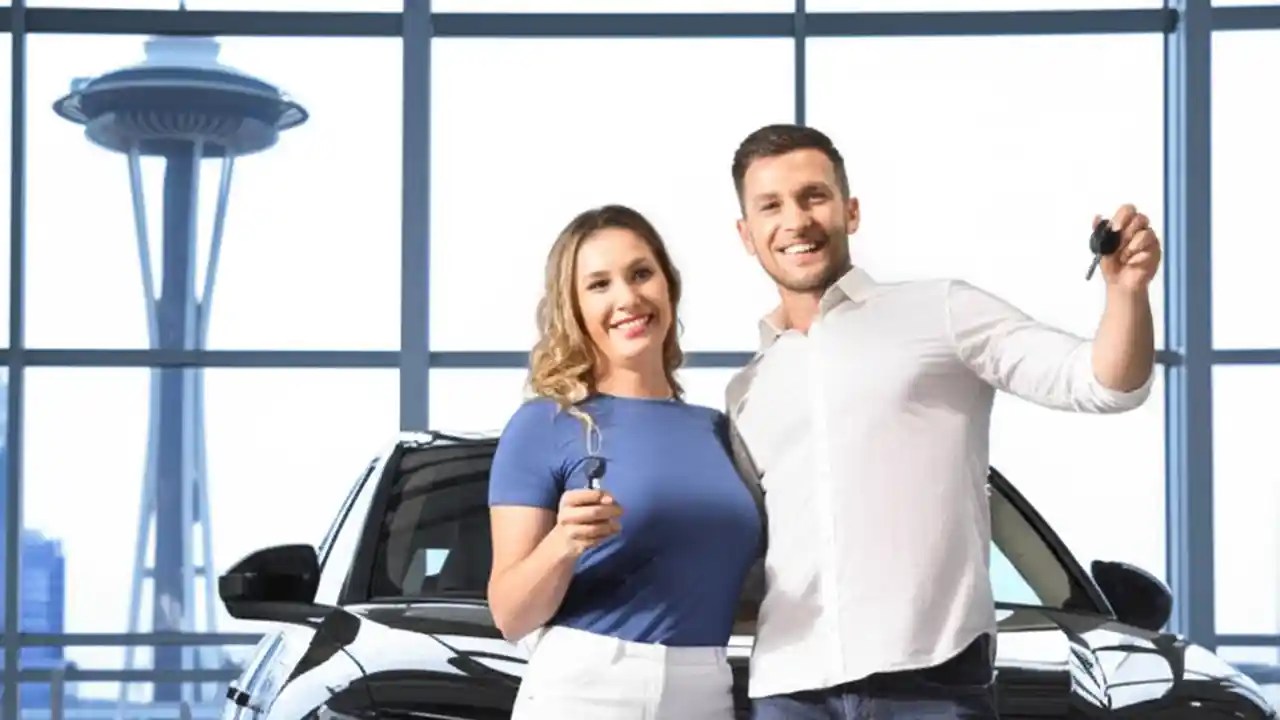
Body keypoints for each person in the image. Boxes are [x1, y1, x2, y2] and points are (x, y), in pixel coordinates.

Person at [723, 124, 1160, 719]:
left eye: (813, 196)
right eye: (770, 206)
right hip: (788, 689)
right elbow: (746, 553)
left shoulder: (942, 312)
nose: (795, 220)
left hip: (932, 683)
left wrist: (1127, 292)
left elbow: (1103, 383)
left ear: (850, 211)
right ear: (747, 235)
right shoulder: (748, 389)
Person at [485, 203, 765, 719]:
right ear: (573, 307)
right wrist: (563, 542)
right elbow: (509, 615)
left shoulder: (720, 432)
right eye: (599, 284)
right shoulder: (545, 424)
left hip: (707, 691)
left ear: (668, 285)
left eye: (640, 274)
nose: (627, 298)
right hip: (586, 691)